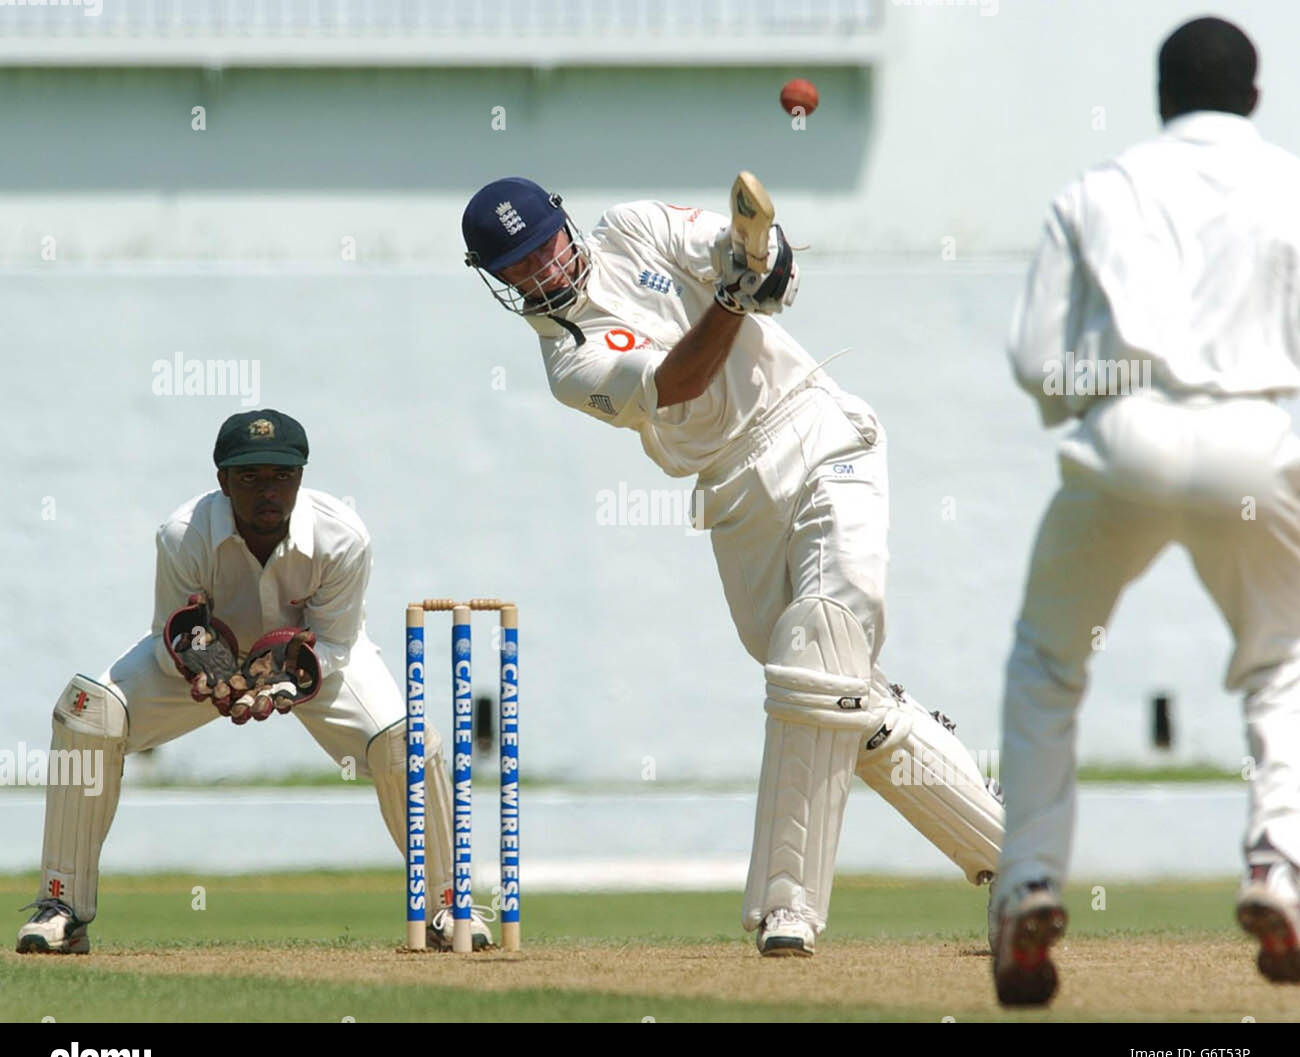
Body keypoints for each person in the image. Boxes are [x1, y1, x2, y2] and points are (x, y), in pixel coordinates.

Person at [462, 177, 1005, 956]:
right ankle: (1009, 856)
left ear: (565, 223)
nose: (541, 269)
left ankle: (787, 909)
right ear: (498, 278)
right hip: (733, 491)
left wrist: (766, 262)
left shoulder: (633, 228)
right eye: (518, 265)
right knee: (826, 686)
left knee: (823, 639)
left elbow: (740, 249)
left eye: (544, 244)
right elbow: (680, 381)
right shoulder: (568, 360)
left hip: (818, 430)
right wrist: (734, 300)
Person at [993, 15, 1300, 1005]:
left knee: (1048, 660)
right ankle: (1277, 868)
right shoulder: (1291, 184)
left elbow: (1037, 362)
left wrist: (1116, 390)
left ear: (1160, 97)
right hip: (1254, 445)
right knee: (1283, 660)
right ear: (1253, 97)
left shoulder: (1097, 190)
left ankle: (1029, 883)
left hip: (1121, 442)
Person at [16, 409, 491, 953]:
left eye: (282, 477)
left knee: (408, 742)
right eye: (250, 478)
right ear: (222, 482)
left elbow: (336, 642)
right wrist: (210, 674)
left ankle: (448, 905)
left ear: (301, 477)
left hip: (313, 660)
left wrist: (285, 679)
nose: (269, 491)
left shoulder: (343, 537)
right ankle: (62, 906)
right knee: (87, 713)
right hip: (209, 665)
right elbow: (171, 637)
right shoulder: (183, 534)